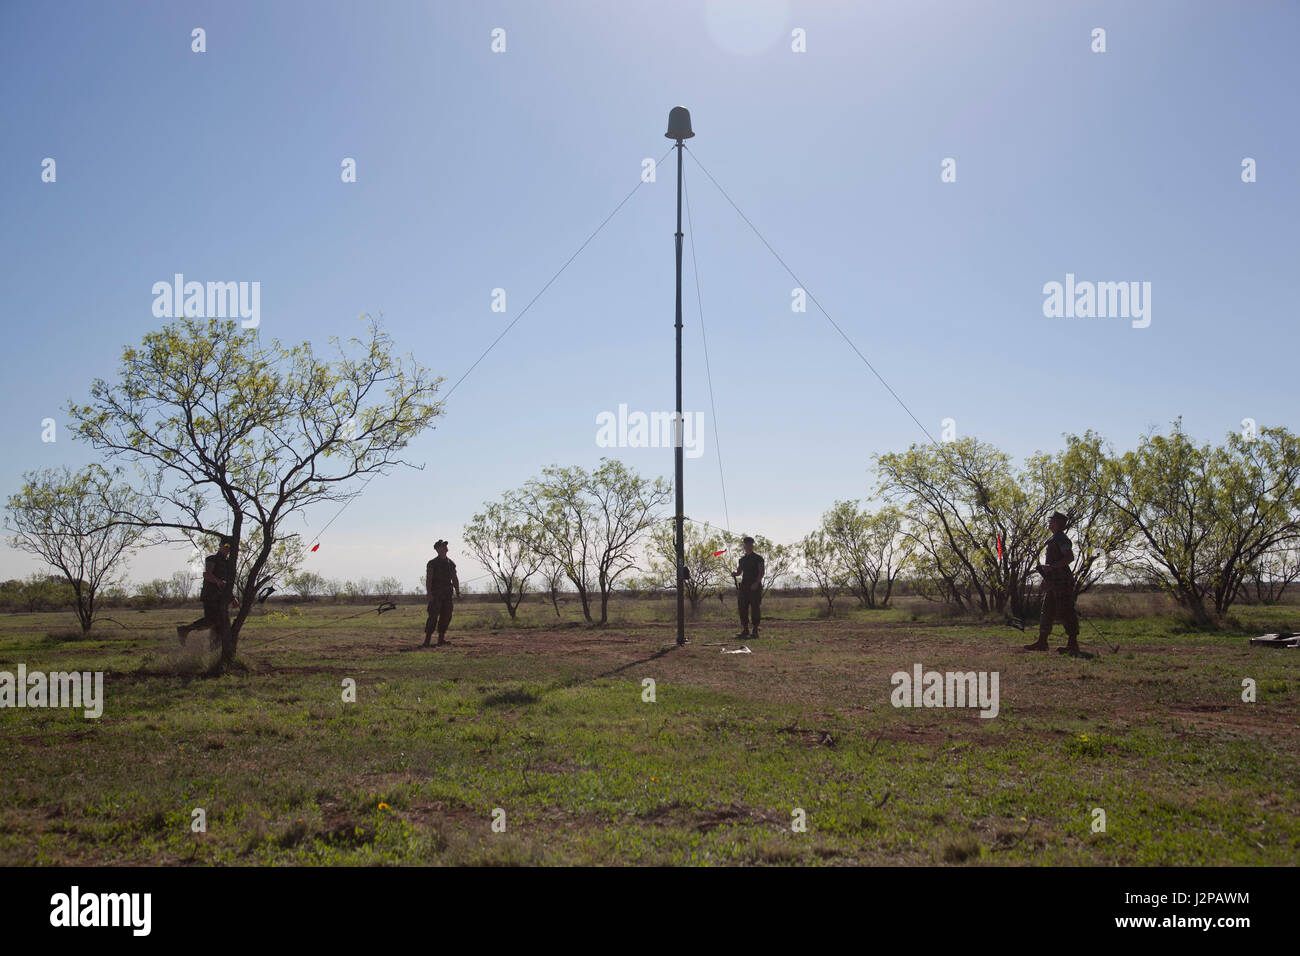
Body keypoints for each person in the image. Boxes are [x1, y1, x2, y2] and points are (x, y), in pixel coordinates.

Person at [1024, 511, 1081, 655]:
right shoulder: (1054, 539)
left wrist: (1052, 567)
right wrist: (1047, 575)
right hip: (1053, 582)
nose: (1049, 523)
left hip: (1062, 582)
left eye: (1052, 521)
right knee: (1047, 611)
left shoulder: (1062, 539)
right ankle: (1042, 642)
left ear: (1058, 523)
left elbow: (1069, 557)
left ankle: (1072, 644)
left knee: (1066, 611)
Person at [177, 537, 239, 648]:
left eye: (230, 547)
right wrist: (217, 581)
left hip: (222, 598)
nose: (227, 549)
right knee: (212, 620)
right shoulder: (212, 559)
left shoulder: (229, 563)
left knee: (221, 624)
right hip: (210, 596)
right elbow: (207, 575)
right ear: (220, 546)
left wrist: (232, 597)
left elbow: (228, 584)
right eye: (225, 546)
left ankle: (214, 651)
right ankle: (185, 629)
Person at [424, 539, 461, 647]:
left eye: (445, 546)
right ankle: (427, 641)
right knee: (433, 617)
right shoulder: (432, 563)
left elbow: (455, 578)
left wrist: (458, 592)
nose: (445, 547)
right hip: (436, 595)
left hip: (447, 595)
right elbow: (429, 579)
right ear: (438, 549)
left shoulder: (451, 563)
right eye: (443, 546)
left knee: (446, 616)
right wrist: (429, 593)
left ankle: (441, 639)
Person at [731, 536, 765, 639]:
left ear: (752, 545)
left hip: (754, 586)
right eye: (746, 544)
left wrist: (756, 583)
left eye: (750, 544)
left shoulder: (758, 558)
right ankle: (745, 629)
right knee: (742, 608)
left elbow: (761, 572)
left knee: (755, 608)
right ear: (744, 546)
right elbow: (739, 572)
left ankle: (755, 630)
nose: (748, 546)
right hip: (744, 586)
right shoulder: (742, 559)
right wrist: (735, 574)